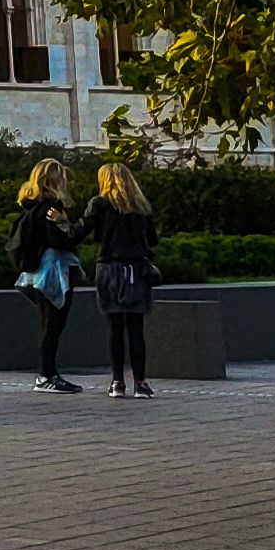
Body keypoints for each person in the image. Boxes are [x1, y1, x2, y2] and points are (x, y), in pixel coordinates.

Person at [86, 159, 161, 399]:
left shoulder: (99, 204)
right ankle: (141, 382)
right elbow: (153, 241)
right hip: (137, 270)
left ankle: (117, 381)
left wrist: (60, 222)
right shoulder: (141, 207)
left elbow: (82, 231)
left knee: (114, 327)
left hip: (109, 269)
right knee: (136, 328)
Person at [10, 159, 85, 394]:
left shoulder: (32, 207)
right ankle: (47, 375)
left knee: (47, 323)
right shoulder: (52, 208)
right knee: (54, 324)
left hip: (37, 273)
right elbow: (62, 240)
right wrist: (66, 225)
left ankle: (48, 373)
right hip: (55, 272)